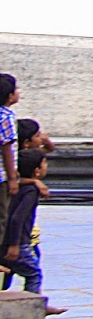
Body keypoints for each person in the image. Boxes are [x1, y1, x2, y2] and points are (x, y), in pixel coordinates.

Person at [2, 148, 65, 313]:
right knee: (33, 274)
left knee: (7, 274)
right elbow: (17, 218)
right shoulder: (31, 192)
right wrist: (14, 245)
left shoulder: (12, 185)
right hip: (19, 242)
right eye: (45, 163)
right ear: (37, 171)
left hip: (3, 240)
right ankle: (32, 308)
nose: (46, 166)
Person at [0, 75, 19, 231]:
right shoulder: (6, 117)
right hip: (1, 177)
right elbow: (7, 149)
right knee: (2, 217)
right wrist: (12, 178)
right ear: (10, 96)